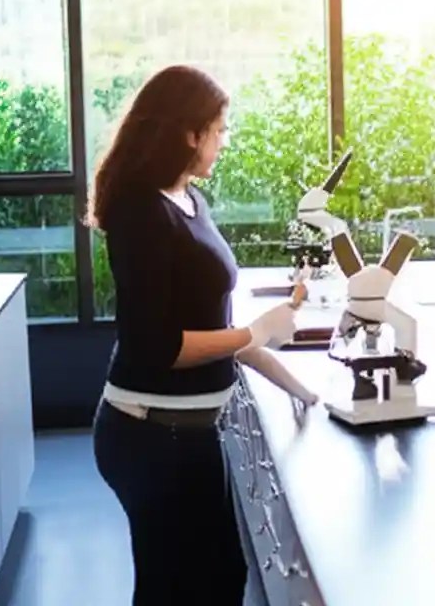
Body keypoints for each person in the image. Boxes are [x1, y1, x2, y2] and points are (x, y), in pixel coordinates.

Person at [87, 65, 313, 605]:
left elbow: (219, 327)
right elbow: (160, 347)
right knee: (179, 587)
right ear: (189, 134)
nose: (224, 141)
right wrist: (256, 330)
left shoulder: (189, 201)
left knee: (217, 578)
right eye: (220, 129)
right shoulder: (141, 213)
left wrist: (299, 388)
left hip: (187, 435)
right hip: (149, 437)